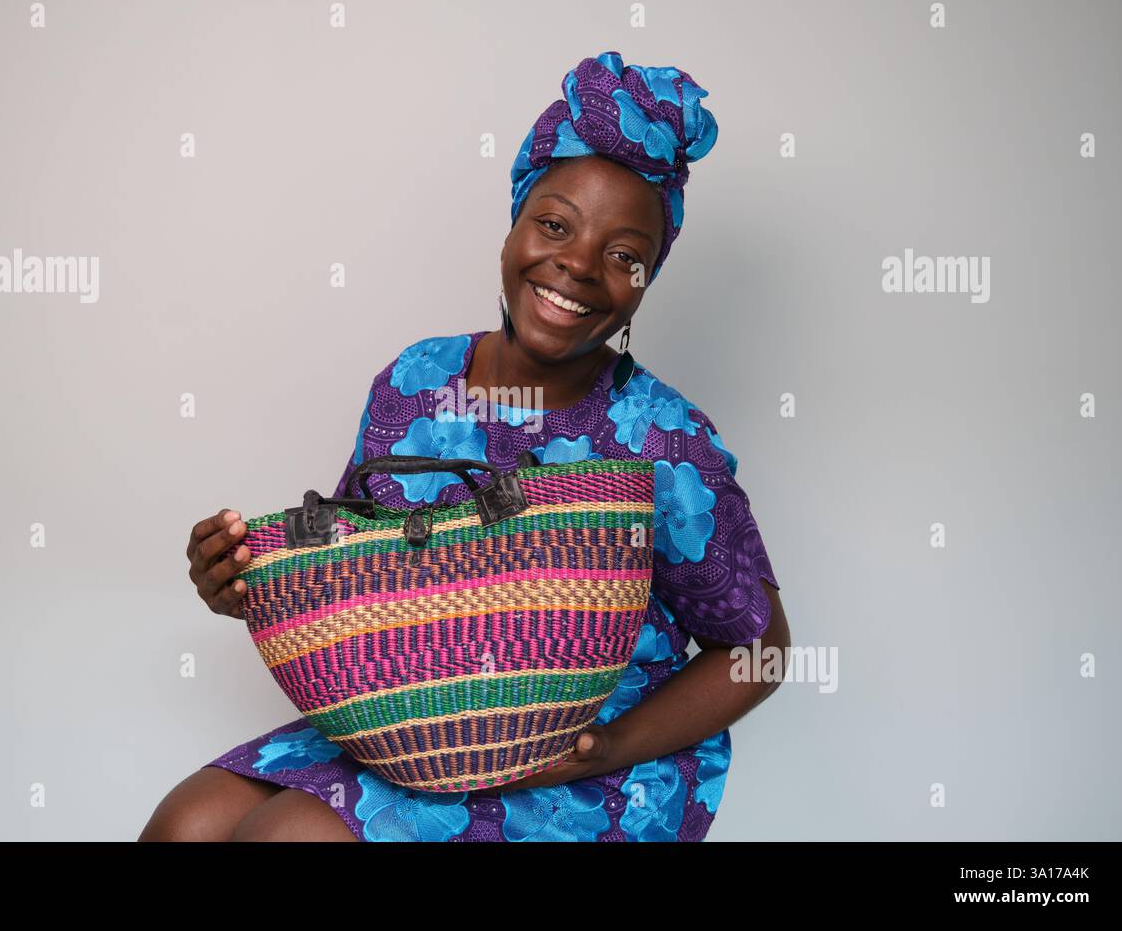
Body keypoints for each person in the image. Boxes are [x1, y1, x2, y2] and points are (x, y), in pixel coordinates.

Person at [140, 50, 790, 842]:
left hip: (577, 752)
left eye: (625, 256)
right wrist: (243, 581)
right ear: (514, 222)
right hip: (416, 705)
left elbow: (760, 651)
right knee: (187, 826)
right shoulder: (417, 378)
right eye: (555, 224)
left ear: (647, 280)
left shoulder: (666, 441)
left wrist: (607, 747)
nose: (578, 265)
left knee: (288, 839)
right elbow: (358, 559)